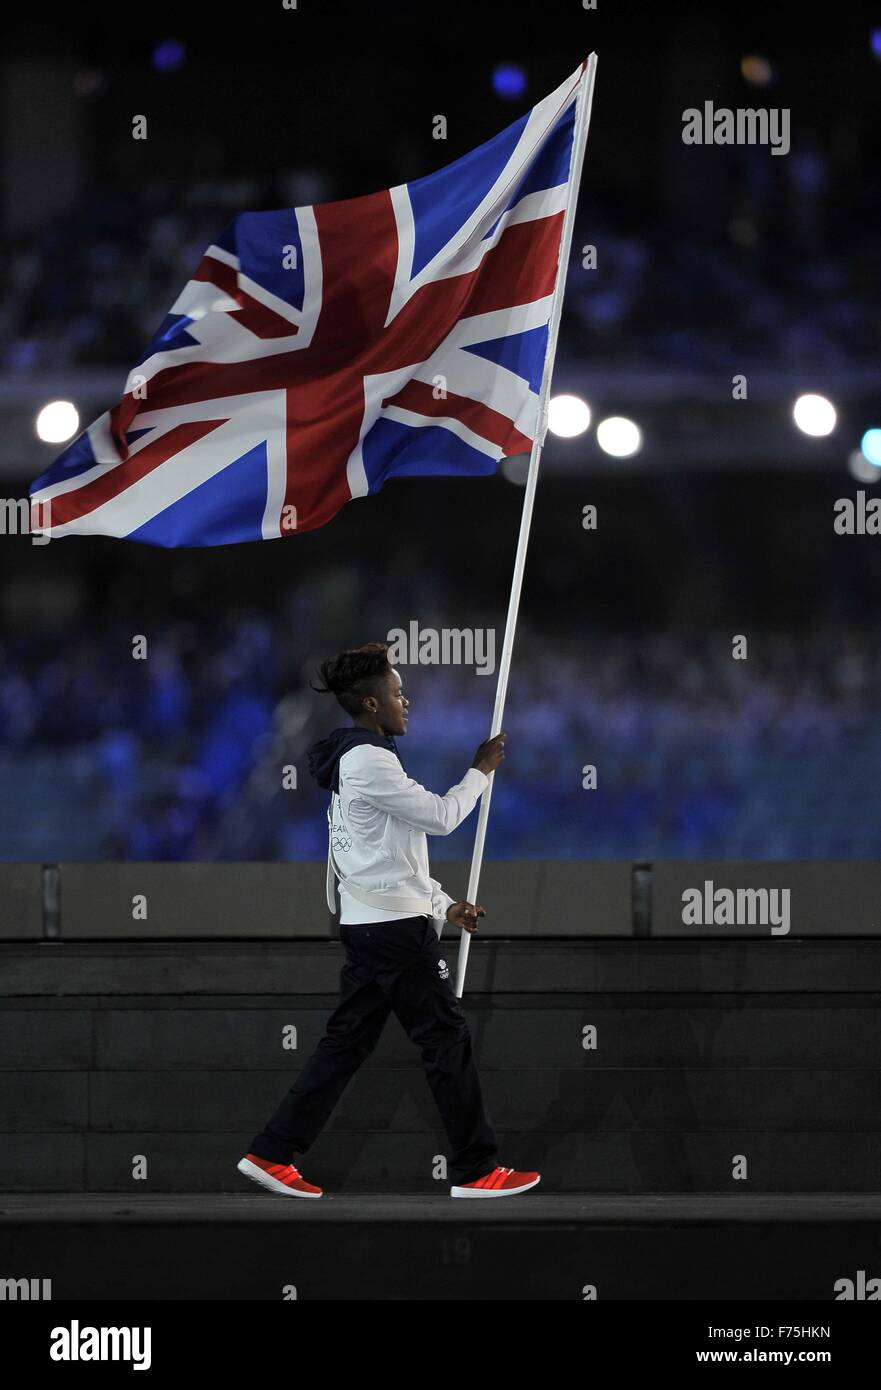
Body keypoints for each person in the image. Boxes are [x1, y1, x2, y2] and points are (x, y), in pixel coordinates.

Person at [237, 641, 541, 1199]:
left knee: (346, 1045)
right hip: (393, 934)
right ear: (371, 705)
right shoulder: (369, 761)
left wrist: (442, 904)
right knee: (444, 1040)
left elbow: (386, 859)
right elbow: (443, 818)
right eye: (398, 693)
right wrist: (479, 770)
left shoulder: (363, 758)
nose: (408, 701)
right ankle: (477, 1170)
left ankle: (272, 1151)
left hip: (374, 924)